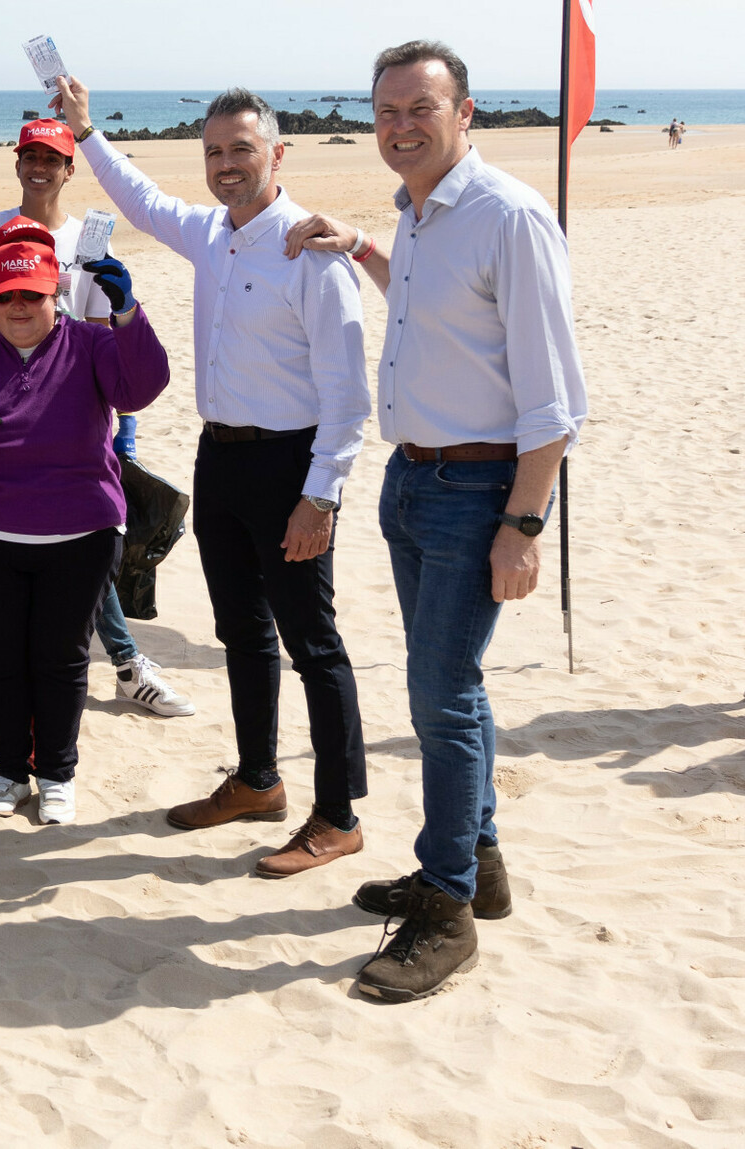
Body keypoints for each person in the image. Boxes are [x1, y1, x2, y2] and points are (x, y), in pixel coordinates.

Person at [285, 40, 587, 1000]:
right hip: (411, 483)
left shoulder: (508, 216)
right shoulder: (419, 215)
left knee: (440, 698)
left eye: (421, 107)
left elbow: (554, 404)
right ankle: (477, 862)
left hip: (477, 495)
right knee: (448, 686)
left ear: (466, 112)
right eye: (386, 112)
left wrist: (524, 526)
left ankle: (448, 906)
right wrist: (366, 248)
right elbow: (432, 317)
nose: (401, 126)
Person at [56, 77, 373, 878]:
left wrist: (320, 494)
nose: (227, 164)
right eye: (214, 152)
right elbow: (141, 200)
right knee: (242, 631)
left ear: (277, 152)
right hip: (220, 458)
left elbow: (348, 394)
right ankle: (258, 781)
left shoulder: (311, 250)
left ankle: (337, 815)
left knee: (314, 644)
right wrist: (87, 131)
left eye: (242, 149)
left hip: (291, 464)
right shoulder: (209, 233)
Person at [0, 119, 194, 770]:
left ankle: (109, 675)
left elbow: (106, 349)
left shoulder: (88, 240)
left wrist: (120, 418)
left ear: (68, 167)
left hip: (70, 432)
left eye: (51, 157)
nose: (38, 166)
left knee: (66, 593)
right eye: (28, 154)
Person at [0, 240, 170, 824]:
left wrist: (128, 314)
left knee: (59, 657)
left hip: (79, 535)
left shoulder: (92, 342)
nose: (19, 307)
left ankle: (56, 772)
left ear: (55, 294)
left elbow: (144, 387)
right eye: (7, 296)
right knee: (0, 657)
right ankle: (9, 771)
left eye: (33, 294)